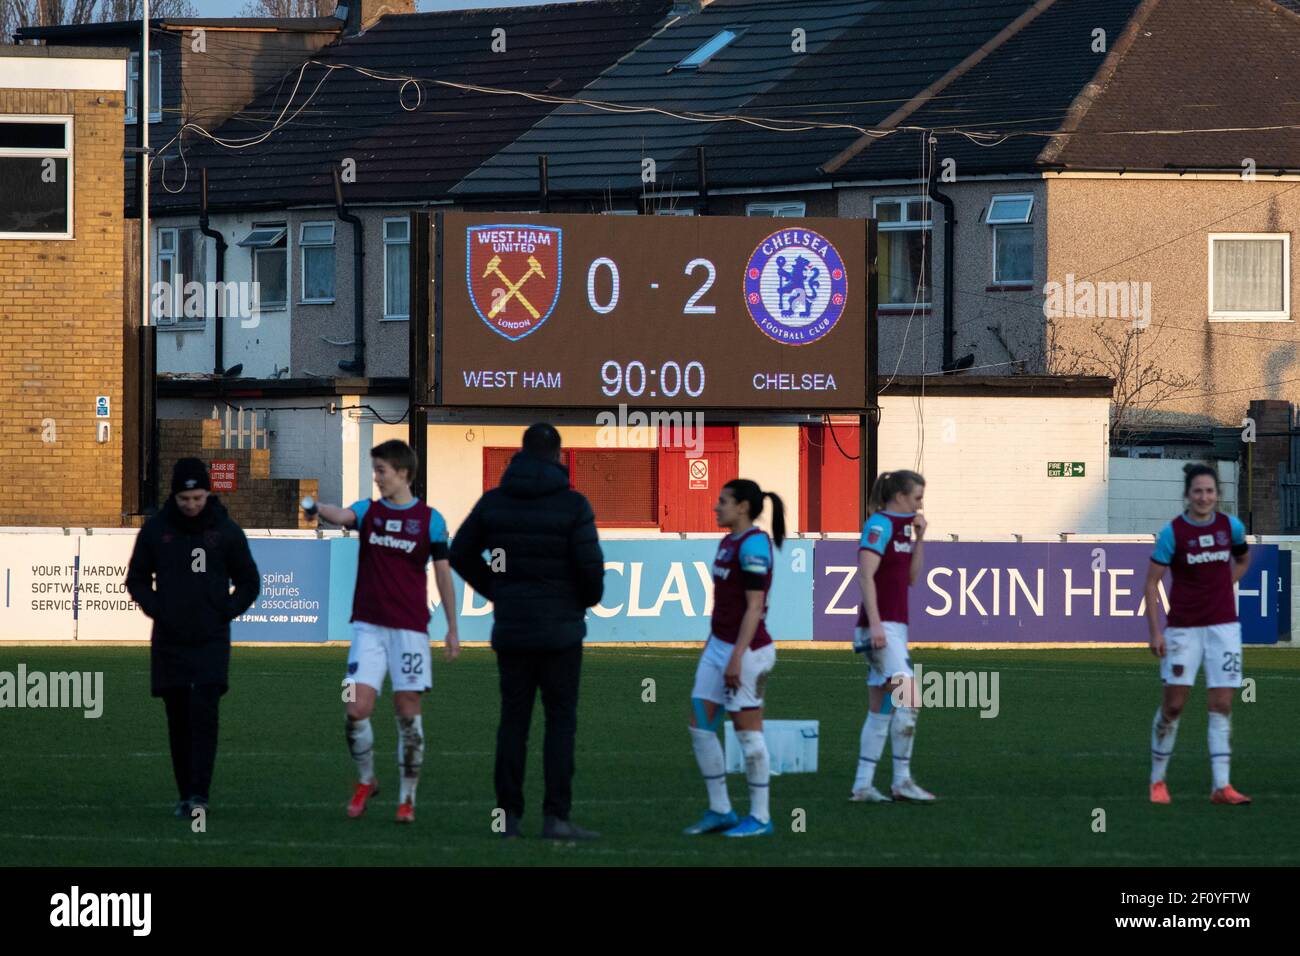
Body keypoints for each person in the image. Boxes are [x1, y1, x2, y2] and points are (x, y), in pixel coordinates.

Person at [450, 423, 604, 840]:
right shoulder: (573, 505)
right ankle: (556, 818)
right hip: (561, 633)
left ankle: (507, 818)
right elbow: (591, 569)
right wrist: (580, 601)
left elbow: (460, 551)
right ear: (558, 456)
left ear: (521, 452)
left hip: (514, 629)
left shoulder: (496, 502)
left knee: (513, 723)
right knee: (560, 724)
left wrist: (497, 589)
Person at [305, 439, 460, 823]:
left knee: (407, 710)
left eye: (381, 471)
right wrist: (316, 508)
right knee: (356, 708)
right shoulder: (368, 512)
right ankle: (367, 779)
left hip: (410, 630)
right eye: (375, 471)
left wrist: (452, 628)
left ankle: (407, 797)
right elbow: (341, 515)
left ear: (403, 473)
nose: (377, 479)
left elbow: (442, 573)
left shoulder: (431, 520)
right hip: (368, 628)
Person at [125, 457, 260, 817]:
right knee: (178, 718)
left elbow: (250, 581)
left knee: (204, 713)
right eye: (185, 499)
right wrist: (159, 608)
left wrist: (224, 611)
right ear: (175, 496)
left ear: (207, 493)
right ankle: (185, 794)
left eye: (198, 498)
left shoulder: (226, 531)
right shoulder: (156, 530)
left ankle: (200, 794)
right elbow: (136, 579)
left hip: (211, 641)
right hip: (169, 641)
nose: (191, 505)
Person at [1144, 463, 1251, 805]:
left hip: (1224, 628)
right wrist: (1155, 632)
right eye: (1197, 491)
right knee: (1174, 706)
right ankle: (1157, 781)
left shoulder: (1230, 527)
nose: (1204, 497)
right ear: (1187, 496)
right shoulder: (1172, 533)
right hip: (1183, 630)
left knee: (1221, 704)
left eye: (1209, 491)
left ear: (1217, 495)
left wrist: (1224, 585)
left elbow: (1243, 559)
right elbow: (1151, 583)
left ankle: (1222, 787)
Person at [683, 479, 785, 839]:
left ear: (742, 506)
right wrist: (716, 649)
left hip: (748, 650)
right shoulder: (729, 541)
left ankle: (760, 817)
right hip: (719, 646)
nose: (716, 506)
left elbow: (755, 607)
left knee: (748, 735)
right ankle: (721, 810)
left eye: (723, 501)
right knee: (699, 725)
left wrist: (736, 657)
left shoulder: (755, 544)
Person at [849, 469, 935, 803]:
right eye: (917, 497)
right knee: (911, 700)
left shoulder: (903, 530)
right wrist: (875, 624)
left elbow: (912, 579)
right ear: (900, 496)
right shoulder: (879, 525)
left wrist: (920, 538)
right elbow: (865, 575)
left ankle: (862, 786)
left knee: (881, 710)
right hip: (881, 626)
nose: (920, 503)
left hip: (894, 626)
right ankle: (901, 781)